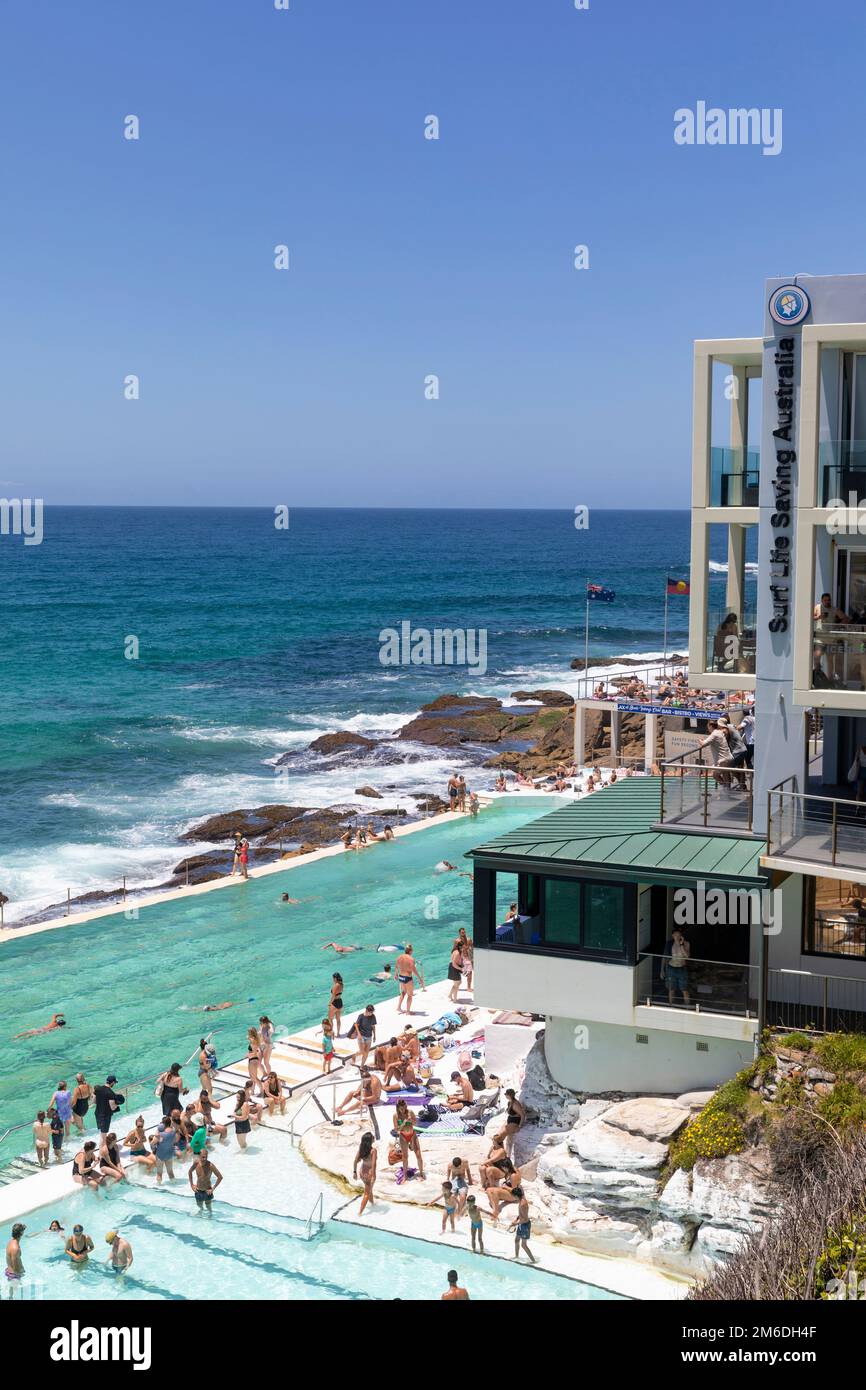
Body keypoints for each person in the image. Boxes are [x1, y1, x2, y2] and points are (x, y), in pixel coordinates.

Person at [393, 1098, 425, 1179]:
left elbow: (415, 1123)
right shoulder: (396, 1116)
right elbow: (396, 1129)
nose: (403, 1110)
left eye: (404, 1108)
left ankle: (421, 1173)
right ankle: (405, 1175)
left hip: (412, 1135)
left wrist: (411, 1121)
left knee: (418, 1155)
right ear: (398, 1108)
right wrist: (403, 1124)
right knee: (405, 1156)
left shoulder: (410, 1112)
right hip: (403, 1136)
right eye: (401, 1109)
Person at [662, 928, 691, 1005]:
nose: (677, 937)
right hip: (671, 968)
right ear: (673, 935)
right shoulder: (669, 944)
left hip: (682, 968)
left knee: (684, 990)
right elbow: (664, 957)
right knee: (671, 989)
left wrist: (681, 945)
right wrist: (662, 970)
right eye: (675, 935)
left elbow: (687, 956)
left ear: (681, 936)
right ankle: (671, 1006)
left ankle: (687, 1007)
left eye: (679, 935)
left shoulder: (686, 944)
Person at [353, 1132, 377, 1215]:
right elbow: (373, 1164)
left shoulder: (362, 1149)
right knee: (367, 1193)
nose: (374, 1137)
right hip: (369, 1174)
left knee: (369, 1190)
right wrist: (373, 1175)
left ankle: (373, 1204)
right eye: (372, 1137)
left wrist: (355, 1172)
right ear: (370, 1140)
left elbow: (355, 1161)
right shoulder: (373, 1151)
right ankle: (360, 1213)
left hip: (362, 1172)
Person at [395, 945, 424, 1015]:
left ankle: (398, 1007)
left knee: (403, 992)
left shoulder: (399, 957)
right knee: (410, 995)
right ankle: (408, 1011)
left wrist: (396, 974)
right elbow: (413, 969)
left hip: (401, 977)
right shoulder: (411, 959)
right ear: (410, 951)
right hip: (407, 978)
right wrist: (419, 978)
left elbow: (396, 966)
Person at [509, 1188, 536, 1263]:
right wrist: (516, 1219)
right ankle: (516, 1256)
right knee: (516, 1240)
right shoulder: (521, 1201)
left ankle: (533, 1261)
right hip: (521, 1224)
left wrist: (515, 1223)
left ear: (516, 1195)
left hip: (525, 1226)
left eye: (513, 1196)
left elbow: (525, 1219)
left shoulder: (523, 1204)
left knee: (523, 1245)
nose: (513, 1197)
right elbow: (521, 1215)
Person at [503, 1089, 525, 1157]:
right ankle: (506, 1154)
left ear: (509, 1095)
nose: (505, 1095)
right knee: (507, 1138)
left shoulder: (515, 1104)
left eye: (506, 1094)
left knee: (508, 1139)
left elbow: (522, 1115)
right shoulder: (510, 1102)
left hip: (515, 1121)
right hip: (511, 1120)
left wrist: (519, 1126)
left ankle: (508, 1155)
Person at [5, 1224, 25, 1298]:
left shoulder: (11, 1242)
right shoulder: (15, 1248)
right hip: (15, 1274)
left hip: (10, 1272)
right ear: (21, 1233)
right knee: (16, 1294)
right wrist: (19, 1273)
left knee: (12, 1293)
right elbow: (14, 1265)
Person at [246, 1029, 265, 1096]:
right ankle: (252, 1090)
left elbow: (255, 1053)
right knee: (252, 1077)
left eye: (248, 1032)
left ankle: (262, 1091)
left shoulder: (253, 1041)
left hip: (253, 1060)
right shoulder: (253, 1040)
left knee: (255, 1078)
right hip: (252, 1060)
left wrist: (248, 1055)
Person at [447, 940, 464, 1004]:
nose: (463, 948)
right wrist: (460, 968)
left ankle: (450, 995)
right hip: (454, 968)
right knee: (457, 984)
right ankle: (455, 1000)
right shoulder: (456, 952)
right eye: (462, 946)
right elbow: (454, 963)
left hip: (454, 967)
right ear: (460, 946)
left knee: (457, 983)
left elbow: (458, 960)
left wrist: (461, 966)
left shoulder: (457, 951)